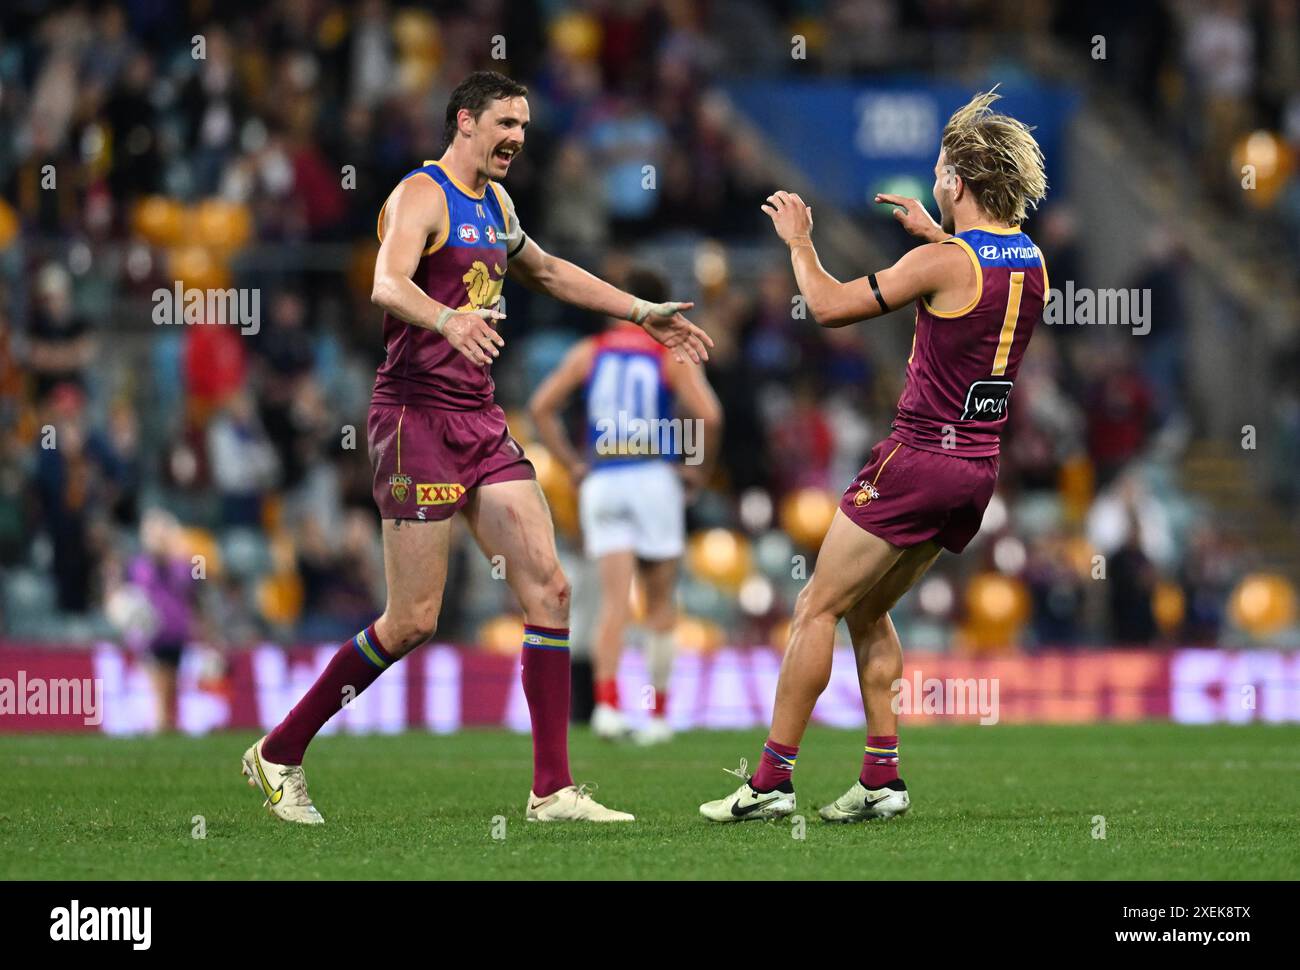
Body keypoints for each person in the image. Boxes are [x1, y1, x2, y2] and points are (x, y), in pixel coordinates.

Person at [241, 71, 711, 824]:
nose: (518, 138)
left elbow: (549, 270)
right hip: (414, 418)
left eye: (524, 126)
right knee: (413, 621)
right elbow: (386, 283)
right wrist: (448, 321)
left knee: (552, 591)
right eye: (505, 124)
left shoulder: (496, 204)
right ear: (464, 121)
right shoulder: (420, 195)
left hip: (479, 419)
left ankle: (552, 791)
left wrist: (640, 311)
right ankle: (278, 750)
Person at [701, 90, 1048, 823]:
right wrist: (935, 237)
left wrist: (799, 241)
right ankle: (882, 777)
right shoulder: (1030, 258)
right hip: (977, 467)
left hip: (919, 455)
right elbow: (973, 285)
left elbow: (827, 307)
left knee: (814, 606)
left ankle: (770, 782)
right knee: (868, 610)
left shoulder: (942, 262)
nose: (933, 184)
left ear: (957, 181)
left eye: (939, 175)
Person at [528, 267, 722, 745]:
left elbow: (539, 408)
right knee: (659, 604)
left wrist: (571, 463)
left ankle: (608, 708)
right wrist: (698, 470)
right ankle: (656, 717)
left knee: (613, 601)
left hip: (602, 477)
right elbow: (710, 416)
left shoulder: (588, 353)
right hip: (652, 474)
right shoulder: (666, 353)